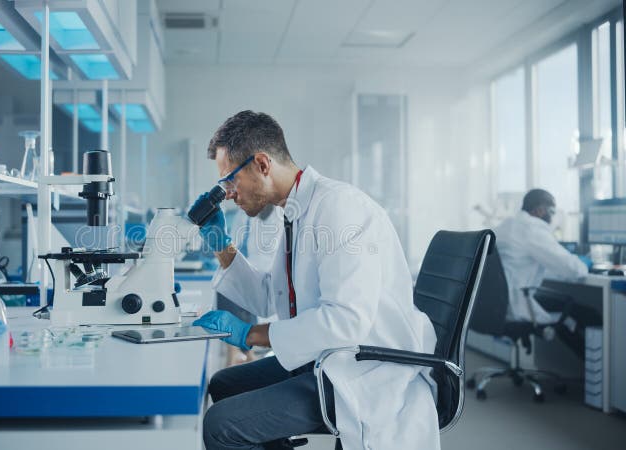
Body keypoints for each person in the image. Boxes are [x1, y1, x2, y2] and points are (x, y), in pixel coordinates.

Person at [190, 111, 439, 450]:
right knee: (224, 384)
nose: (229, 193)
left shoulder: (338, 207)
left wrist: (251, 334)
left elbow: (346, 320)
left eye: (230, 180)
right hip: (325, 358)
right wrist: (220, 243)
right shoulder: (294, 212)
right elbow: (267, 297)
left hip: (361, 371)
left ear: (262, 164)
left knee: (220, 426)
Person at [493, 188, 599, 357]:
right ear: (540, 210)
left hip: (497, 305)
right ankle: (597, 376)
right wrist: (584, 262)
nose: (552, 216)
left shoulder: (506, 226)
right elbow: (575, 270)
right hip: (517, 304)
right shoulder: (532, 229)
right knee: (588, 315)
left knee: (567, 313)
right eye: (552, 211)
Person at [216, 205, 283, 366]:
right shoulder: (244, 213)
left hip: (273, 277)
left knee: (248, 301)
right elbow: (233, 244)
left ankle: (246, 354)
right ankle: (234, 354)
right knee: (231, 291)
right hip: (251, 270)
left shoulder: (282, 215)